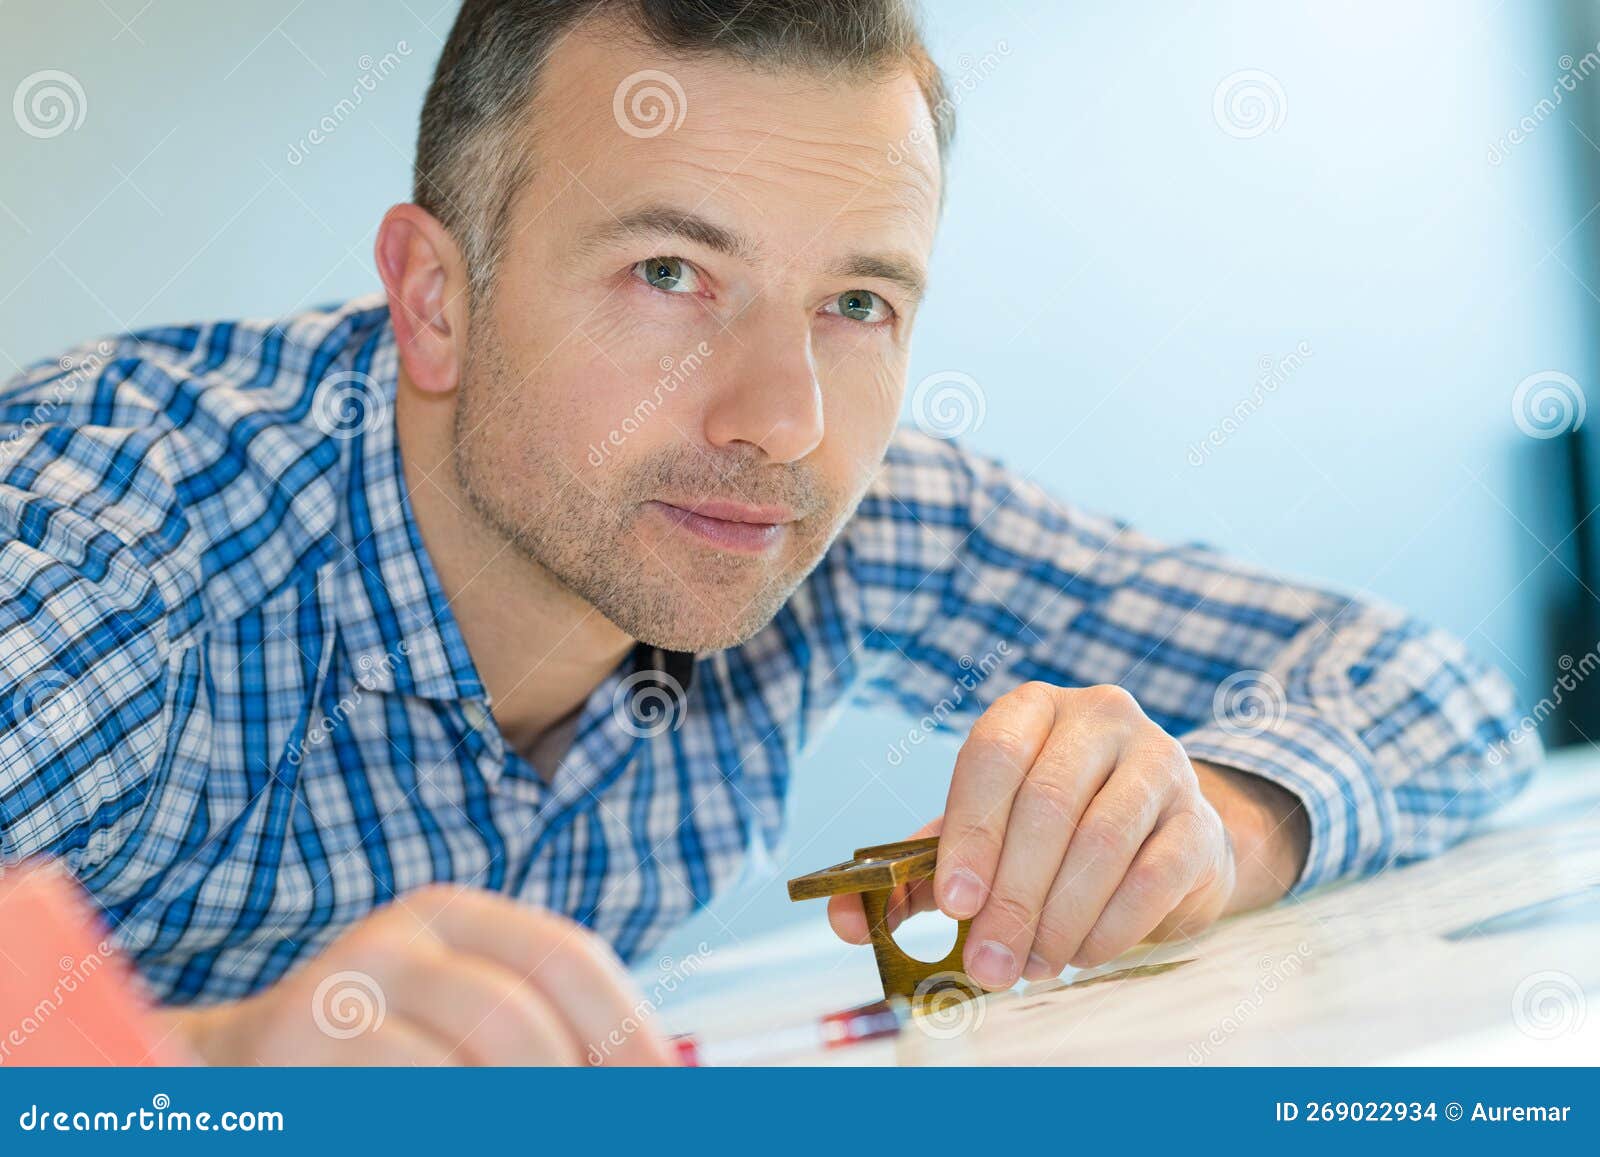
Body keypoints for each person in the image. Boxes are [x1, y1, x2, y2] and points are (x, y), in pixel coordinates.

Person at [0, 0, 1537, 1065]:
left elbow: (1437, 689)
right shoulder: (121, 553)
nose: (784, 416)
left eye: (858, 301)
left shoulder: (835, 521)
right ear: (436, 302)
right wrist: (209, 1071)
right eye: (671, 272)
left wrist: (1219, 820)